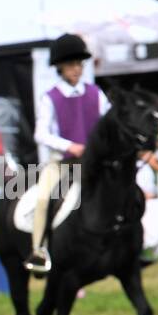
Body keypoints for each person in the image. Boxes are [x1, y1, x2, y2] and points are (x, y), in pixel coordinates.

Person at [27, 33, 112, 274]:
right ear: (60, 67)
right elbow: (40, 134)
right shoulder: (50, 98)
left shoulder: (96, 94)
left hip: (93, 164)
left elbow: (108, 123)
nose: (76, 69)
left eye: (79, 64)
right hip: (62, 164)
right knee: (43, 199)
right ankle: (38, 250)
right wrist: (69, 146)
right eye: (71, 65)